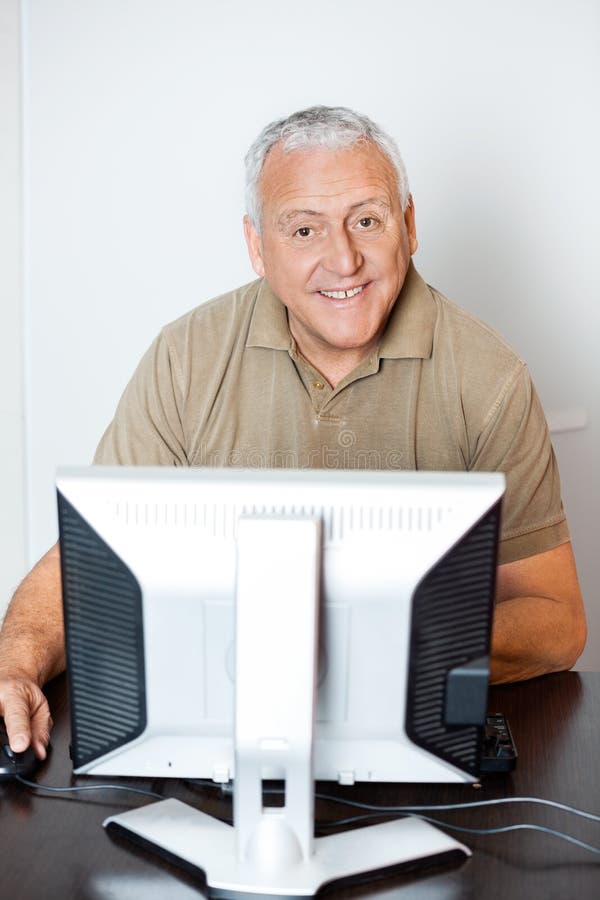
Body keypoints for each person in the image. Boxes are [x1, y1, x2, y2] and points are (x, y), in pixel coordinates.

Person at [0, 106, 587, 760]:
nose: (344, 259)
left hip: (413, 741)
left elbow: (556, 622)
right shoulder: (185, 358)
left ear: (410, 225)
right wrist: (17, 668)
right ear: (257, 247)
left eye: (367, 219)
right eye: (304, 229)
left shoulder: (489, 376)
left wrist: (367, 645)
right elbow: (88, 562)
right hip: (212, 737)